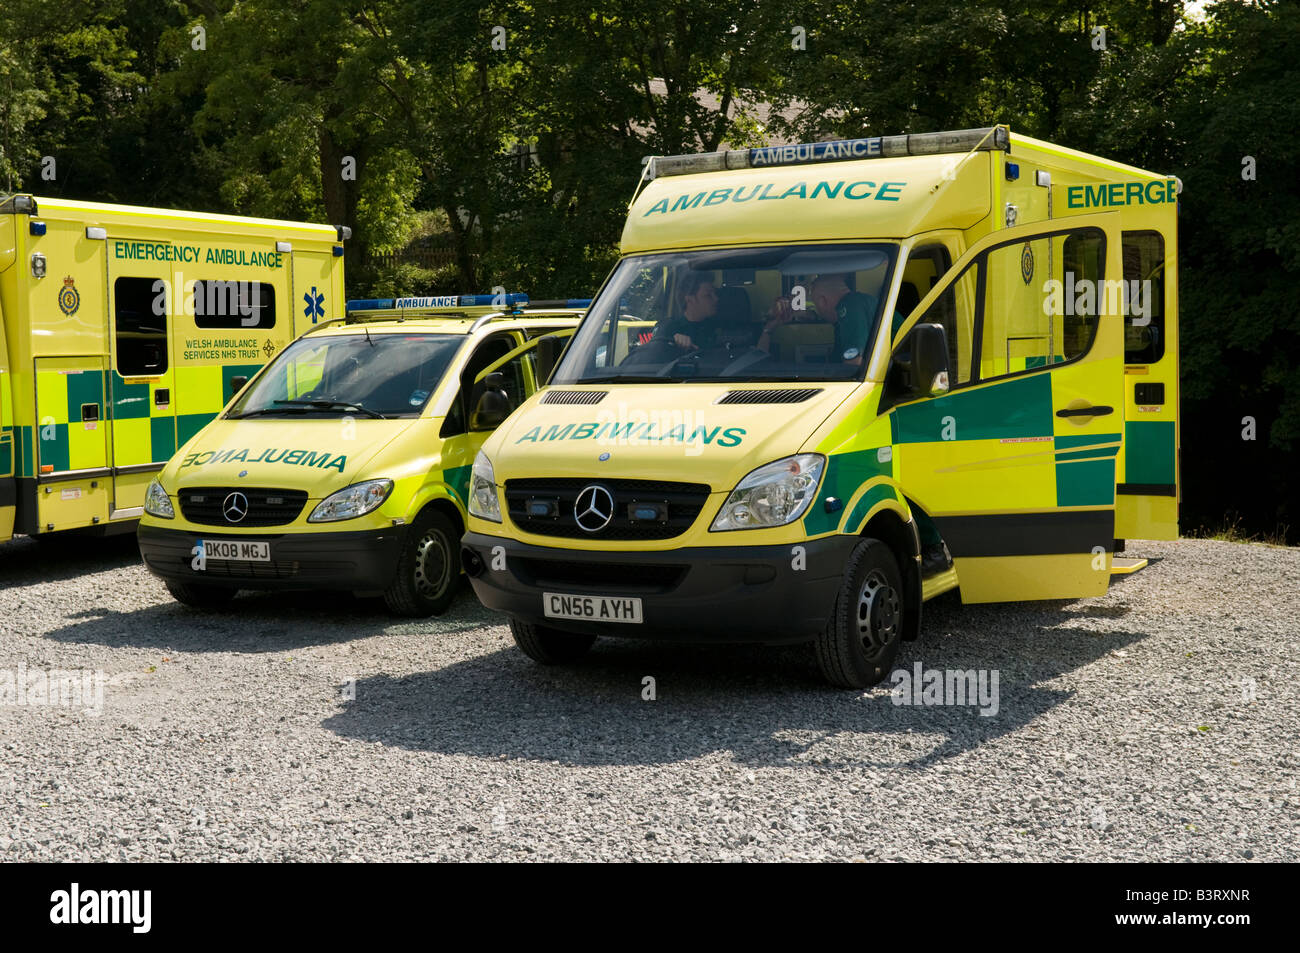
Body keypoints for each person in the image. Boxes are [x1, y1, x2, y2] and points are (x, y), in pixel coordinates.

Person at [757, 275, 876, 366]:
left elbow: (853, 365)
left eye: (816, 306)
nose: (818, 311)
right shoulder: (857, 305)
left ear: (822, 301)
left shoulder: (850, 307)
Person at [651, 274, 724, 351]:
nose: (716, 299)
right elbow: (654, 355)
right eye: (708, 295)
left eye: (715, 293)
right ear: (689, 299)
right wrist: (674, 343)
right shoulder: (669, 328)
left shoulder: (720, 325)